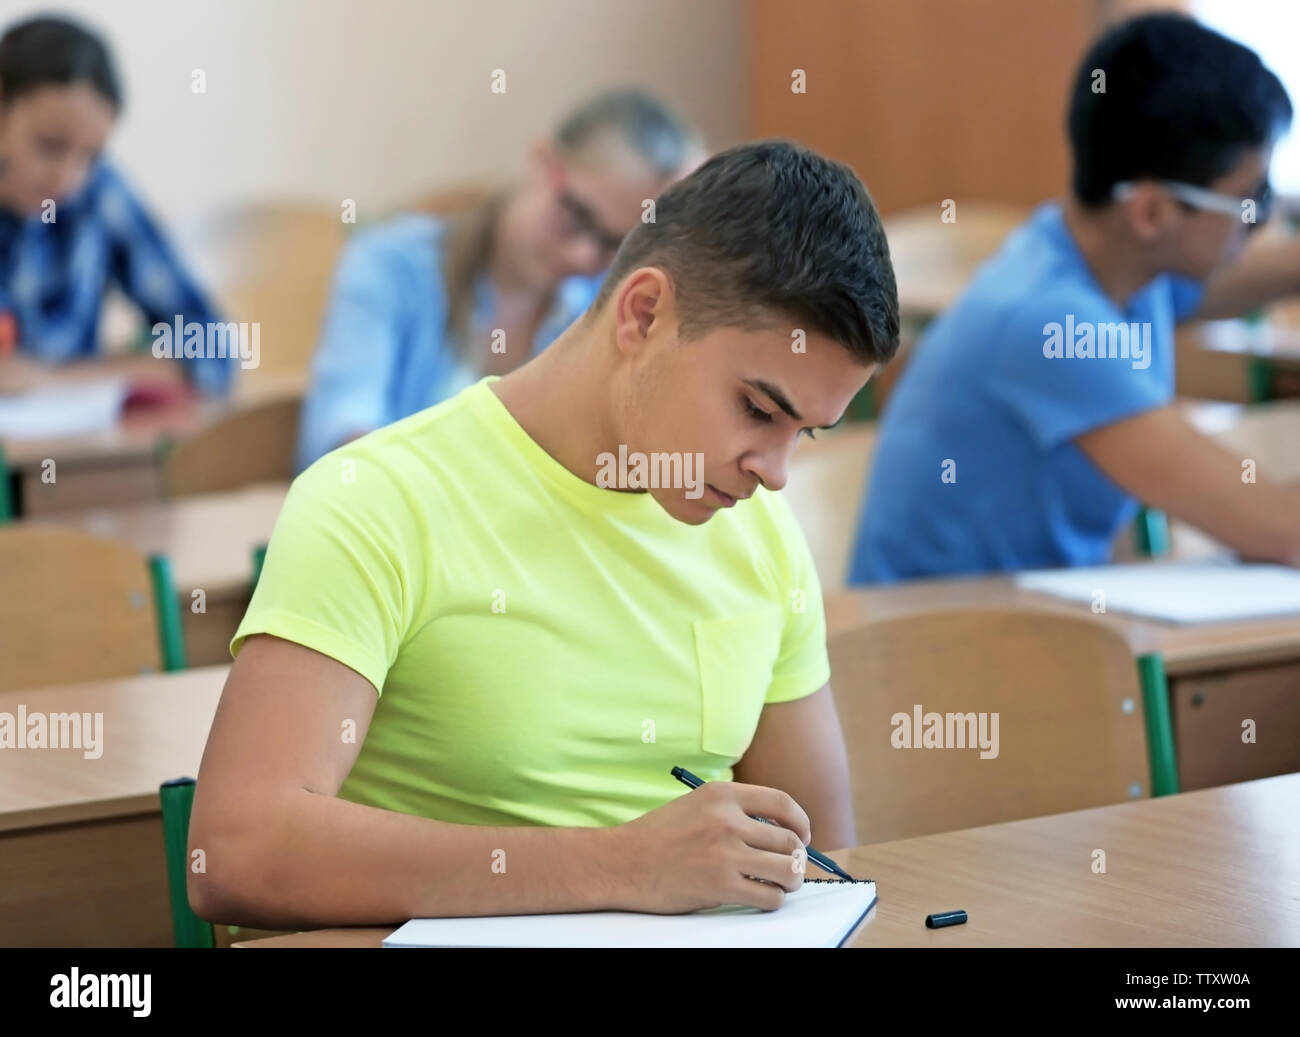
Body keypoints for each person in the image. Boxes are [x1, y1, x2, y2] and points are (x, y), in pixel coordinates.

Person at [188, 140, 900, 927]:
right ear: (644, 313)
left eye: (807, 433)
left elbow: (825, 868)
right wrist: (620, 864)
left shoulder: (761, 532)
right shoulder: (376, 501)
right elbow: (236, 850)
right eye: (759, 411)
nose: (774, 471)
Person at [850, 12, 1300, 584]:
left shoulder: (1106, 261)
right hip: (942, 648)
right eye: (1251, 201)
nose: (1261, 224)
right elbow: (1280, 528)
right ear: (1152, 211)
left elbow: (1230, 274)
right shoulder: (1052, 326)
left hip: (1029, 626)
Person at [295, 88, 705, 470]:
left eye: (613, 244)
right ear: (542, 160)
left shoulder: (610, 307)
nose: (582, 255)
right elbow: (342, 437)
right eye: (577, 215)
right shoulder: (390, 264)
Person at [0, 15, 233, 395]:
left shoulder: (100, 196)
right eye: (50, 145)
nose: (68, 177)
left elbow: (212, 347)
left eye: (90, 155)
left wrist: (52, 382)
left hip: (75, 447)